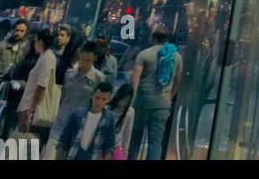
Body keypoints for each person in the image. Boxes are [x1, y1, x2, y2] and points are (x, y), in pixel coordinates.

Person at [128, 28, 182, 160]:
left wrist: (130, 101)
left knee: (135, 140)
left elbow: (134, 80)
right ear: (167, 39)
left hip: (142, 102)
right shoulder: (177, 57)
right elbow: (177, 81)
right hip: (163, 104)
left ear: (153, 38)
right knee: (155, 143)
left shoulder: (144, 54)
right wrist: (169, 97)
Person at [44, 41, 102, 159]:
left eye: (88, 60)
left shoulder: (98, 79)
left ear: (94, 58)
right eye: (82, 59)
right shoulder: (69, 74)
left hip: (80, 127)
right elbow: (64, 96)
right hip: (60, 122)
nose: (84, 63)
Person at [17, 29, 60, 141]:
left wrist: (32, 109)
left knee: (26, 142)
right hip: (28, 105)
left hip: (32, 108)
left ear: (41, 41)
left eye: (36, 40)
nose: (34, 43)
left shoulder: (47, 58)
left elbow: (42, 86)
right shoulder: (44, 56)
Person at [56, 82, 116, 161]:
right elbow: (63, 141)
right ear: (92, 95)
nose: (99, 102)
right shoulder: (77, 114)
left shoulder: (109, 119)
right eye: (97, 97)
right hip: (73, 156)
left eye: (104, 99)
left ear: (108, 100)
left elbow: (109, 146)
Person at [109, 83, 135, 159]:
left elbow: (127, 135)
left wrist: (125, 154)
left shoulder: (130, 112)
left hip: (117, 147)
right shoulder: (108, 108)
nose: (123, 103)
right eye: (122, 99)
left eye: (126, 100)